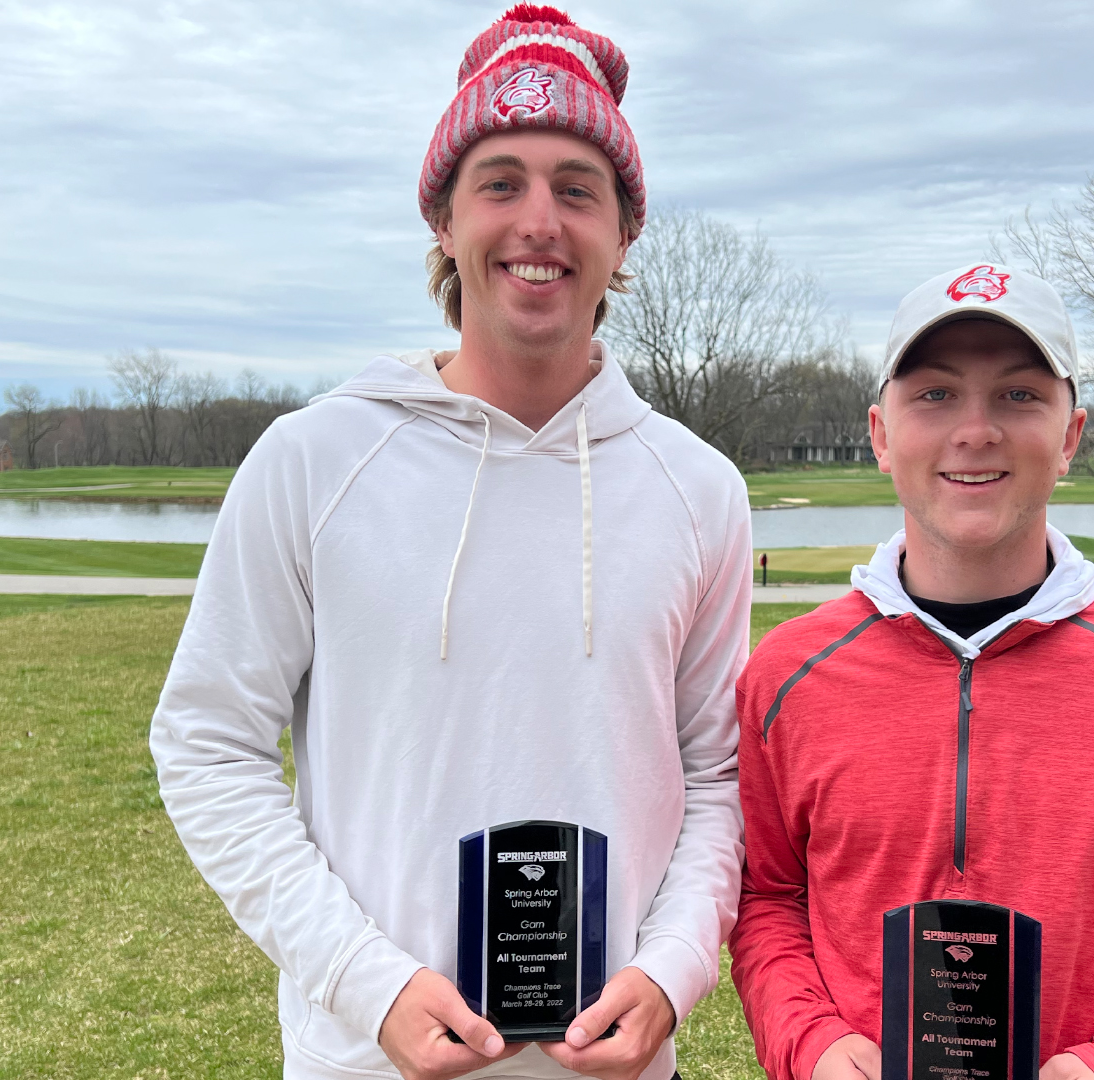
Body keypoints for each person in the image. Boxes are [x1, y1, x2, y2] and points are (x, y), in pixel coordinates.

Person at [150, 8, 750, 1080]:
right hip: (362, 1061)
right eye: (500, 182)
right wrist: (361, 979)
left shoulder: (698, 489)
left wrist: (672, 968)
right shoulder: (313, 459)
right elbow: (207, 743)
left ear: (624, 234)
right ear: (442, 218)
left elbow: (721, 774)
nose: (539, 222)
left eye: (578, 188)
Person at [728, 264, 1094, 1080]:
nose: (976, 430)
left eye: (1019, 396)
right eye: (934, 395)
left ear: (1070, 436)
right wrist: (811, 1042)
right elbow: (767, 900)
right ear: (880, 432)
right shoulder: (786, 673)